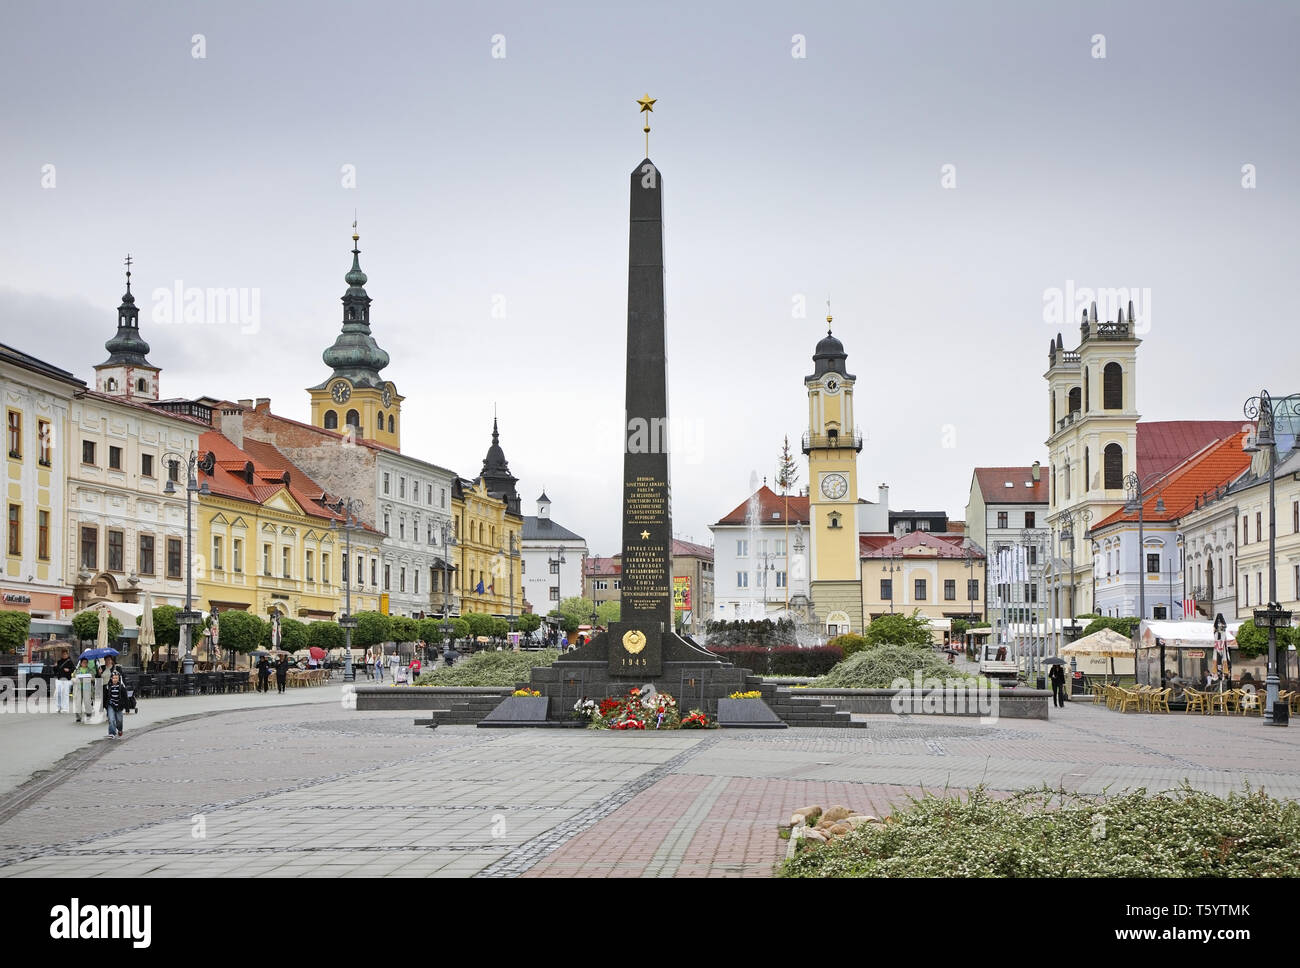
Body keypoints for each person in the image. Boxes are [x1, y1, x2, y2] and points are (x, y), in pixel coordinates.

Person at [103, 669, 127, 738]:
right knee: (111, 719)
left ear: (119, 679)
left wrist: (127, 708)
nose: (115, 679)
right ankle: (112, 733)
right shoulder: (108, 687)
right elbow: (105, 697)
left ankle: (120, 729)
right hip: (111, 705)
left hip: (119, 705)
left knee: (119, 720)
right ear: (111, 678)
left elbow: (125, 698)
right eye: (113, 678)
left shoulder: (121, 687)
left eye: (116, 678)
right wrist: (103, 706)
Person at [74, 657, 95, 723]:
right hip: (79, 688)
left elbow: (93, 678)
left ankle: (88, 715)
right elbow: (73, 677)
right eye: (84, 662)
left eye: (86, 662)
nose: (85, 663)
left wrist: (90, 679)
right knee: (78, 703)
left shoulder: (90, 670)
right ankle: (78, 717)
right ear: (81, 663)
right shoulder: (77, 670)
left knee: (87, 702)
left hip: (87, 688)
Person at [54, 648, 75, 714]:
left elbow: (73, 669)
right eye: (63, 654)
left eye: (65, 654)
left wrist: (68, 670)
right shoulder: (59, 661)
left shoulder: (69, 661)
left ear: (67, 654)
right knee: (58, 693)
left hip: (66, 680)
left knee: (65, 694)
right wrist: (55, 666)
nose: (64, 655)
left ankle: (65, 708)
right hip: (59, 679)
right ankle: (58, 707)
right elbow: (55, 671)